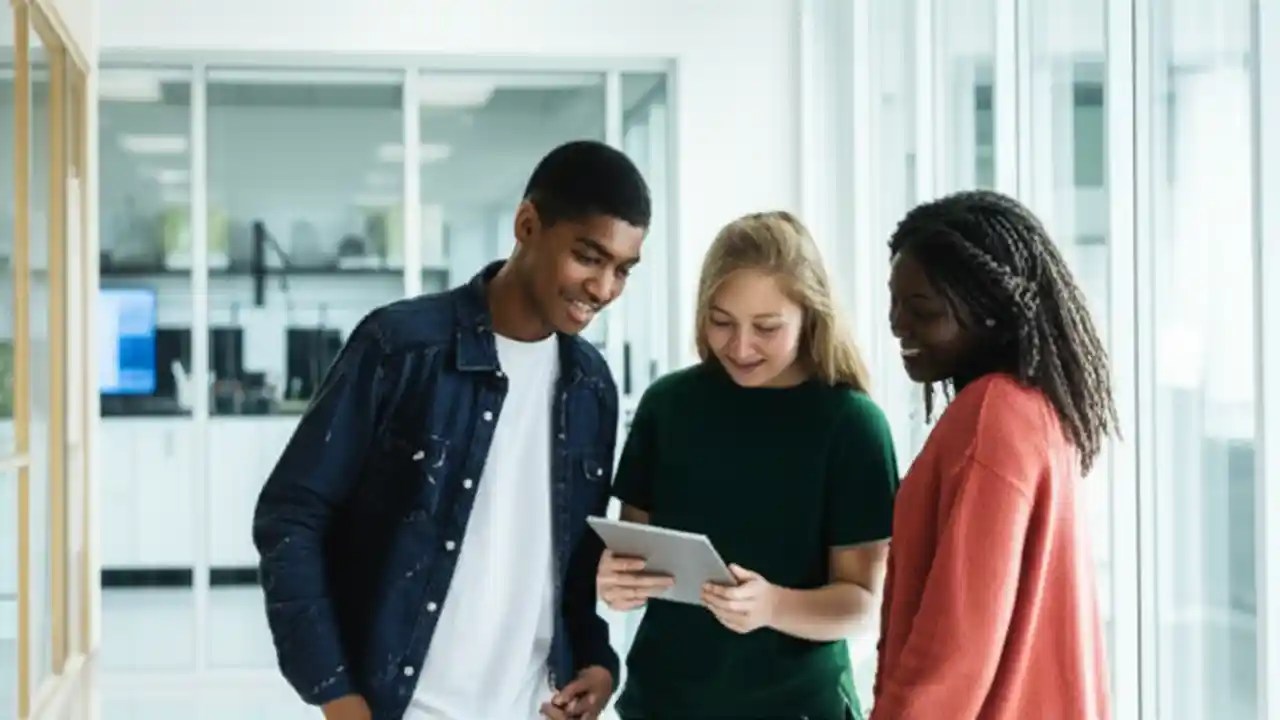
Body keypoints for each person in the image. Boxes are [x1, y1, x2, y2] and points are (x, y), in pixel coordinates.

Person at [252, 139, 652, 720]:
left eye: (623, 270)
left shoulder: (591, 385)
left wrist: (596, 659)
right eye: (589, 257)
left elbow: (570, 566)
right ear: (527, 225)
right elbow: (291, 517)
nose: (604, 288)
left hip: (534, 704)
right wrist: (336, 694)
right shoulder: (401, 346)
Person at [596, 211, 900, 720]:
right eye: (721, 322)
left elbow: (864, 602)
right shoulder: (667, 406)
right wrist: (614, 582)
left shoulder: (852, 425)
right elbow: (638, 552)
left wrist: (773, 606)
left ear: (811, 315)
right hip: (663, 704)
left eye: (766, 328)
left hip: (798, 708)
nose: (740, 346)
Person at [872, 189, 1117, 719]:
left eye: (921, 309)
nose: (896, 324)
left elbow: (954, 650)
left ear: (991, 313)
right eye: (893, 303)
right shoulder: (1037, 411)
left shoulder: (991, 416)